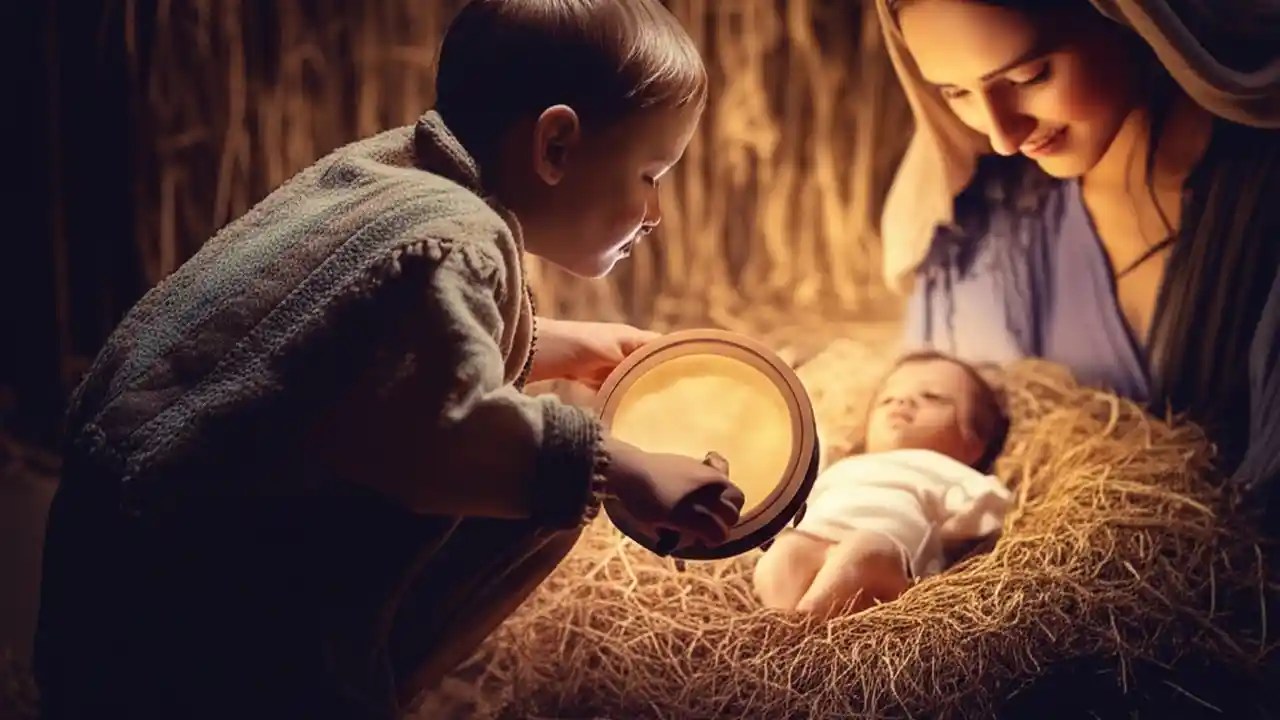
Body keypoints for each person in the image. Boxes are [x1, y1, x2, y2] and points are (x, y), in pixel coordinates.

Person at [33, 2, 745, 718]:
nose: (656, 213)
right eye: (652, 173)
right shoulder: (464, 239)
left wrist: (552, 343)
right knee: (556, 486)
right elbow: (444, 434)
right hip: (186, 630)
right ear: (555, 147)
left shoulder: (384, 174)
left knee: (549, 467)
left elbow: (365, 345)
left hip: (101, 574)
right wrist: (625, 469)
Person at [874, 0, 1280, 527]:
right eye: (955, 92)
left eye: (1030, 75)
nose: (1002, 136)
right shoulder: (978, 236)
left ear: (1133, 21)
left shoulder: (1258, 214)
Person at [753, 351, 1011, 618]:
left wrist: (952, 533)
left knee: (865, 549)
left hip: (891, 558)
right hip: (815, 540)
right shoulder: (843, 466)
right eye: (887, 398)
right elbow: (798, 507)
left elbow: (990, 508)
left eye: (931, 397)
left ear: (973, 444)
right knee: (781, 555)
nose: (901, 400)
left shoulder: (941, 468)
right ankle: (788, 621)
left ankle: (806, 622)